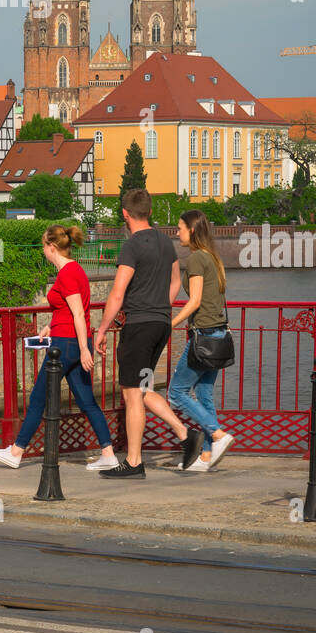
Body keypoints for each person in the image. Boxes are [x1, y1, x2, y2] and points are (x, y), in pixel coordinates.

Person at [0, 224, 117, 471]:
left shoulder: (66, 274)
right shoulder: (75, 270)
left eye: (44, 246)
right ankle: (108, 454)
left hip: (66, 346)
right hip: (71, 341)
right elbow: (69, 311)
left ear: (51, 247)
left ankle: (16, 452)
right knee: (87, 401)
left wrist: (83, 348)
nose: (43, 251)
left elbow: (78, 313)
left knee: (37, 398)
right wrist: (53, 328)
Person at [94, 189, 205, 478]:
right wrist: (160, 308)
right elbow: (175, 281)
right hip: (160, 325)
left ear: (125, 214)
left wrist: (102, 330)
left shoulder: (131, 246)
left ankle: (133, 462)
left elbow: (117, 294)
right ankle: (185, 434)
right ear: (150, 212)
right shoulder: (165, 242)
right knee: (142, 389)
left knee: (132, 393)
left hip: (139, 327)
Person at [167, 209, 235, 474]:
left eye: (180, 227)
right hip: (219, 335)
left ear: (192, 230)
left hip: (204, 336)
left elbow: (194, 301)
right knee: (204, 394)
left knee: (176, 392)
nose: (177, 232)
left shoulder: (196, 259)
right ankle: (206, 455)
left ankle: (217, 435)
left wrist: (170, 323)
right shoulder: (212, 258)